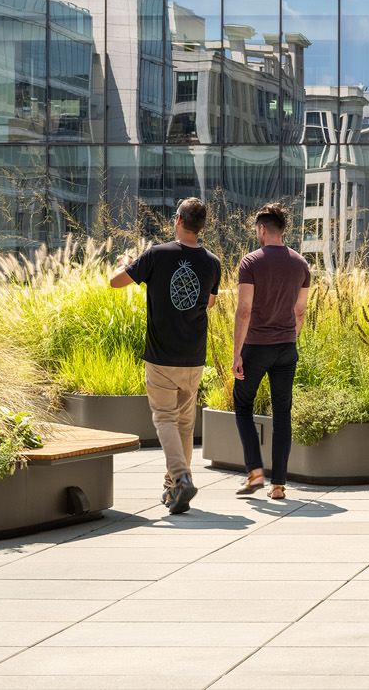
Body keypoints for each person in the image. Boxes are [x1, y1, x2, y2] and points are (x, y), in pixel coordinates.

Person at [110, 197, 221, 515]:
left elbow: (115, 282)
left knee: (165, 419)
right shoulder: (212, 262)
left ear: (177, 219)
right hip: (194, 356)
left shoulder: (157, 254)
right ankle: (173, 488)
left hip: (161, 356)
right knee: (185, 424)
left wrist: (126, 264)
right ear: (201, 226)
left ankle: (182, 477)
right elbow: (210, 303)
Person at [231, 202, 312, 501]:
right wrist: (290, 338)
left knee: (242, 407)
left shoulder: (250, 262)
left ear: (262, 230)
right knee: (282, 415)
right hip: (286, 349)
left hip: (256, 347)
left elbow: (244, 311)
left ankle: (255, 474)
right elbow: (300, 311)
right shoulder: (301, 264)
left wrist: (237, 353)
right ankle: (278, 485)